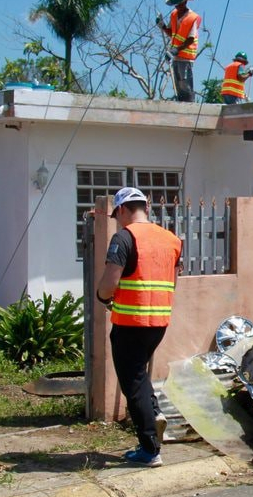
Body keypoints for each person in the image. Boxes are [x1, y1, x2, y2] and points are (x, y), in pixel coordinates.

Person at [96, 187, 182, 467]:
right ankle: (154, 413)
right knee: (140, 374)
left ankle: (149, 449)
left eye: (116, 215)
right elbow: (173, 281)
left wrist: (102, 297)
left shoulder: (124, 237)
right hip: (159, 322)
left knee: (132, 382)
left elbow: (110, 283)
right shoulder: (171, 239)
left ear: (121, 210)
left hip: (130, 323)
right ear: (146, 206)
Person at [155, 0, 202, 102]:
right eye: (176, 4)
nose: (177, 7)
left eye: (179, 4)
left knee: (185, 85)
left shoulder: (193, 18)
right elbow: (173, 34)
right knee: (178, 85)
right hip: (176, 55)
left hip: (186, 57)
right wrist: (163, 26)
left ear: (185, 2)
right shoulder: (174, 15)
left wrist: (176, 49)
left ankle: (189, 105)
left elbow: (191, 39)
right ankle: (182, 103)